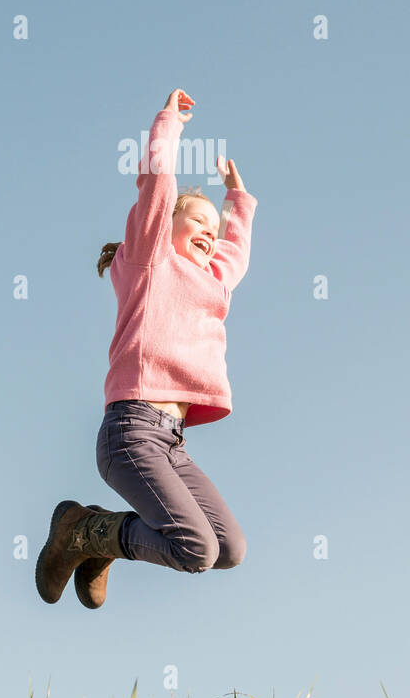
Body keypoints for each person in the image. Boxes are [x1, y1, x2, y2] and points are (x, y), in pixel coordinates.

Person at [34, 87, 258, 609]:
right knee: (195, 549)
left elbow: (236, 256)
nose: (210, 231)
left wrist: (238, 204)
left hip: (171, 442)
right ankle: (82, 531)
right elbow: (157, 183)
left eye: (214, 228)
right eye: (197, 220)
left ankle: (96, 536)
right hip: (131, 432)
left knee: (230, 549)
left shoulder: (212, 285)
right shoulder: (148, 262)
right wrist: (169, 124)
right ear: (166, 226)